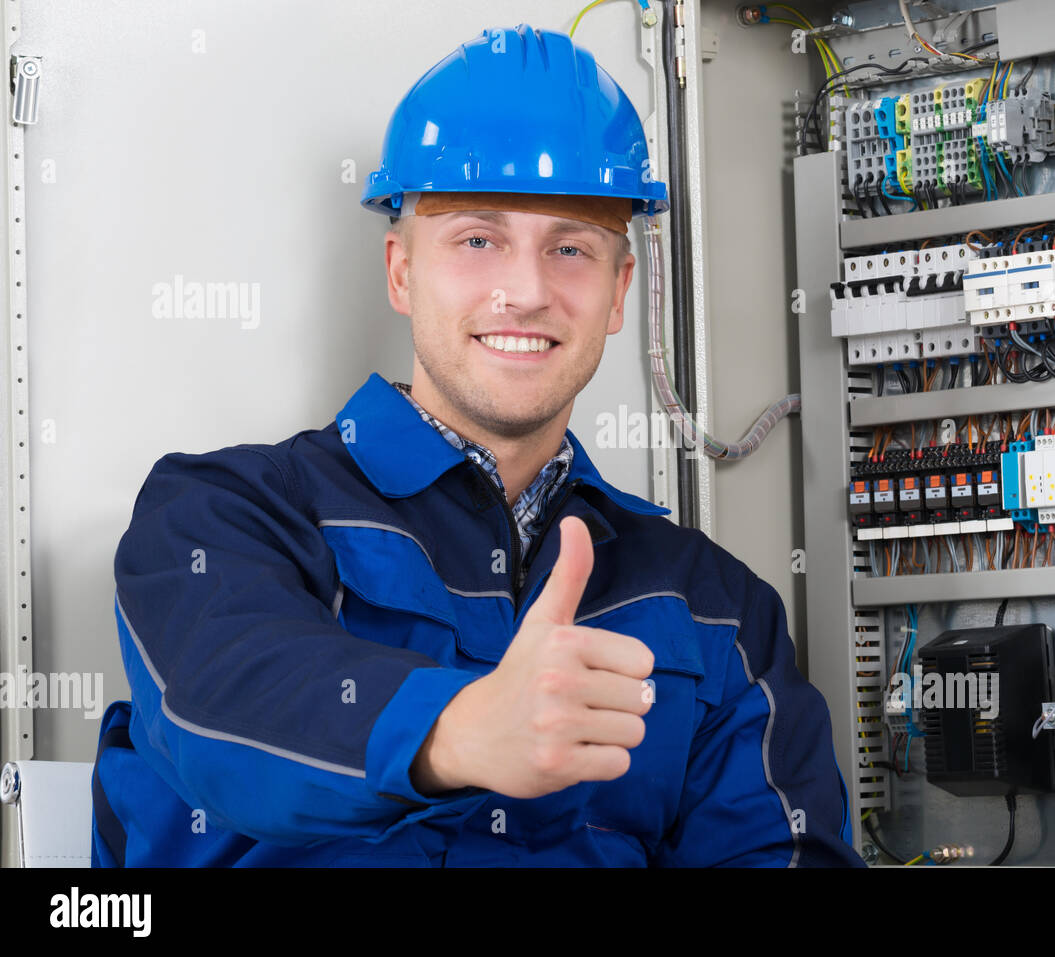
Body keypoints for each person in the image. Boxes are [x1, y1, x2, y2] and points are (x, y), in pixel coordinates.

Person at [91, 23, 863, 867]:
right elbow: (218, 705)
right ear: (399, 271)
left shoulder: (715, 610)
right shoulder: (223, 517)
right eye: (477, 239)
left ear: (618, 293)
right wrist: (458, 731)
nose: (526, 290)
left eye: (570, 247)